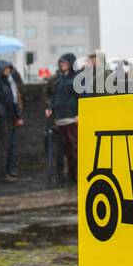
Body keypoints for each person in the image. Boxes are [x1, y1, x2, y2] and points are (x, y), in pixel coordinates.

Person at [0, 59, 24, 183]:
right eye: (6, 68)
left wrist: (17, 115)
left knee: (6, 145)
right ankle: (2, 174)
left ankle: (4, 173)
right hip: (1, 116)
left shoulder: (5, 81)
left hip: (7, 115)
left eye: (9, 68)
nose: (8, 71)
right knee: (3, 146)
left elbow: (11, 99)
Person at [45, 52, 80, 181]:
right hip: (60, 118)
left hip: (72, 118)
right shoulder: (59, 80)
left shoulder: (77, 78)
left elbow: (80, 97)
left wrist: (78, 114)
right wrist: (50, 108)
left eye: (65, 63)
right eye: (61, 63)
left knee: (74, 147)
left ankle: (77, 174)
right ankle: (71, 174)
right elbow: (54, 97)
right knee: (65, 148)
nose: (62, 65)